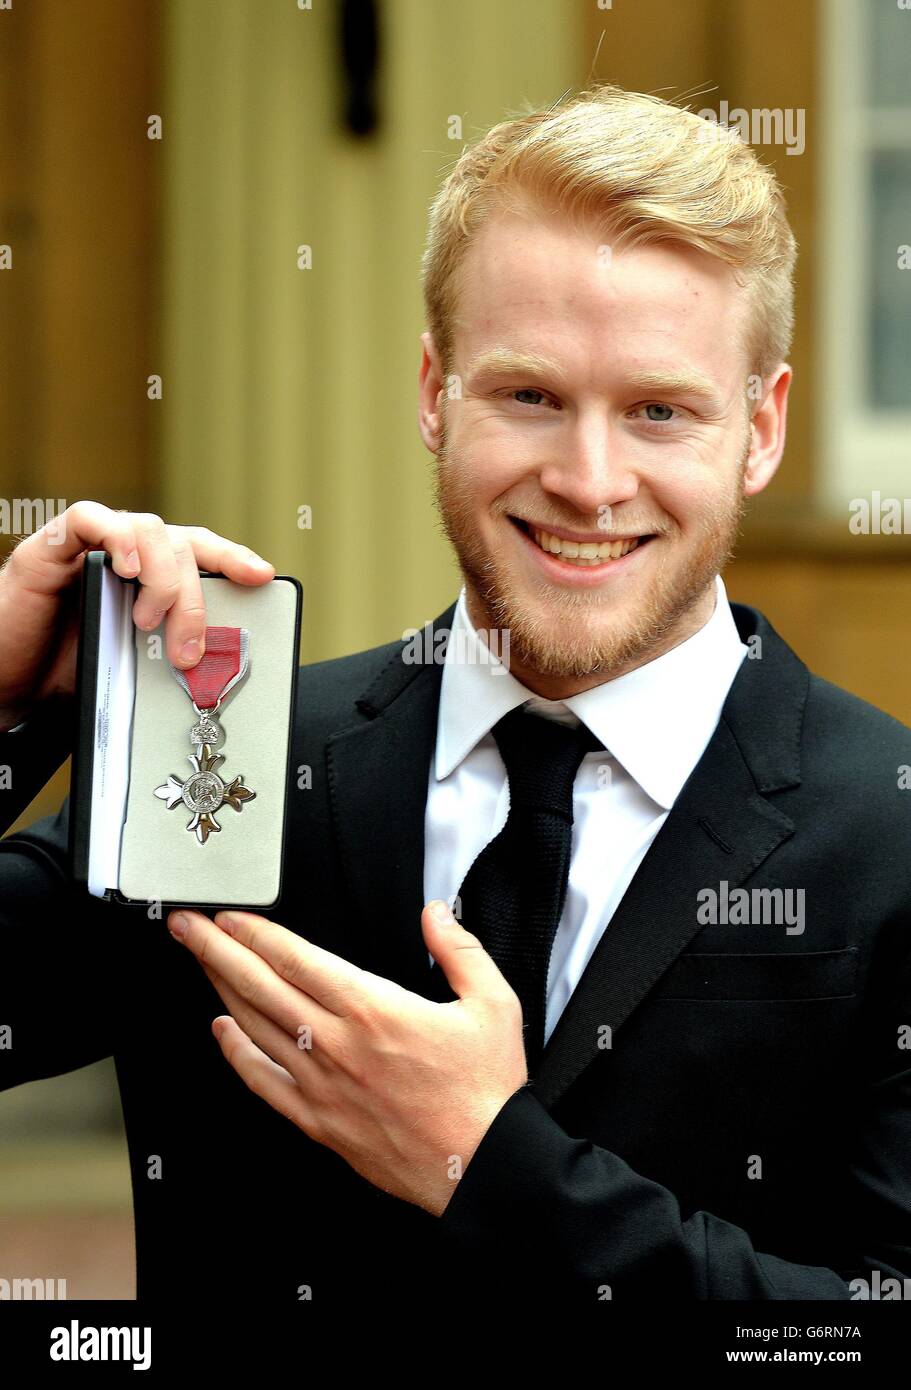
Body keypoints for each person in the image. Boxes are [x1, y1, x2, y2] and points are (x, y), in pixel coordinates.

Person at [1, 83, 909, 1307]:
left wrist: (490, 1169)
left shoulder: (892, 838)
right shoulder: (228, 758)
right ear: (435, 393)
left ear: (759, 427)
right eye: (528, 394)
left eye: (657, 410)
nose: (590, 482)